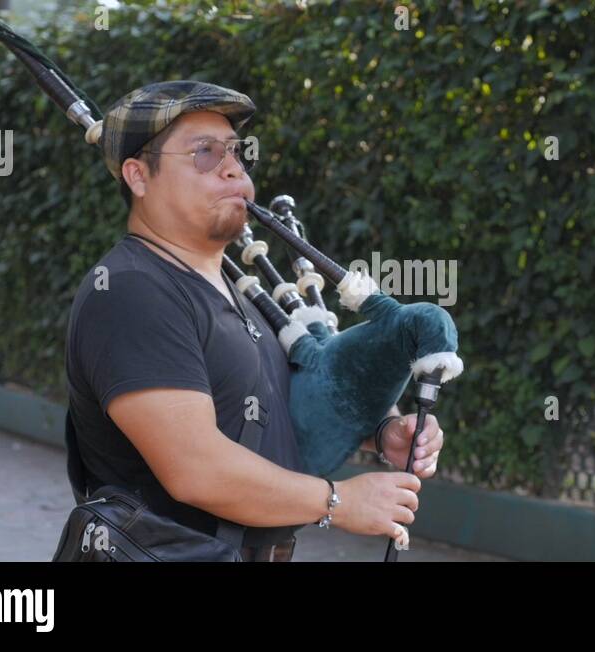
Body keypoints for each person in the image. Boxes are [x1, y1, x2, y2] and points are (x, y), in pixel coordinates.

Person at [65, 80, 444, 562]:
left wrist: (379, 431)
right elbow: (196, 468)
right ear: (138, 177)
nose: (231, 169)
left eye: (236, 154)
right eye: (204, 154)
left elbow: (269, 408)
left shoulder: (227, 286)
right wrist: (340, 501)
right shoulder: (132, 290)